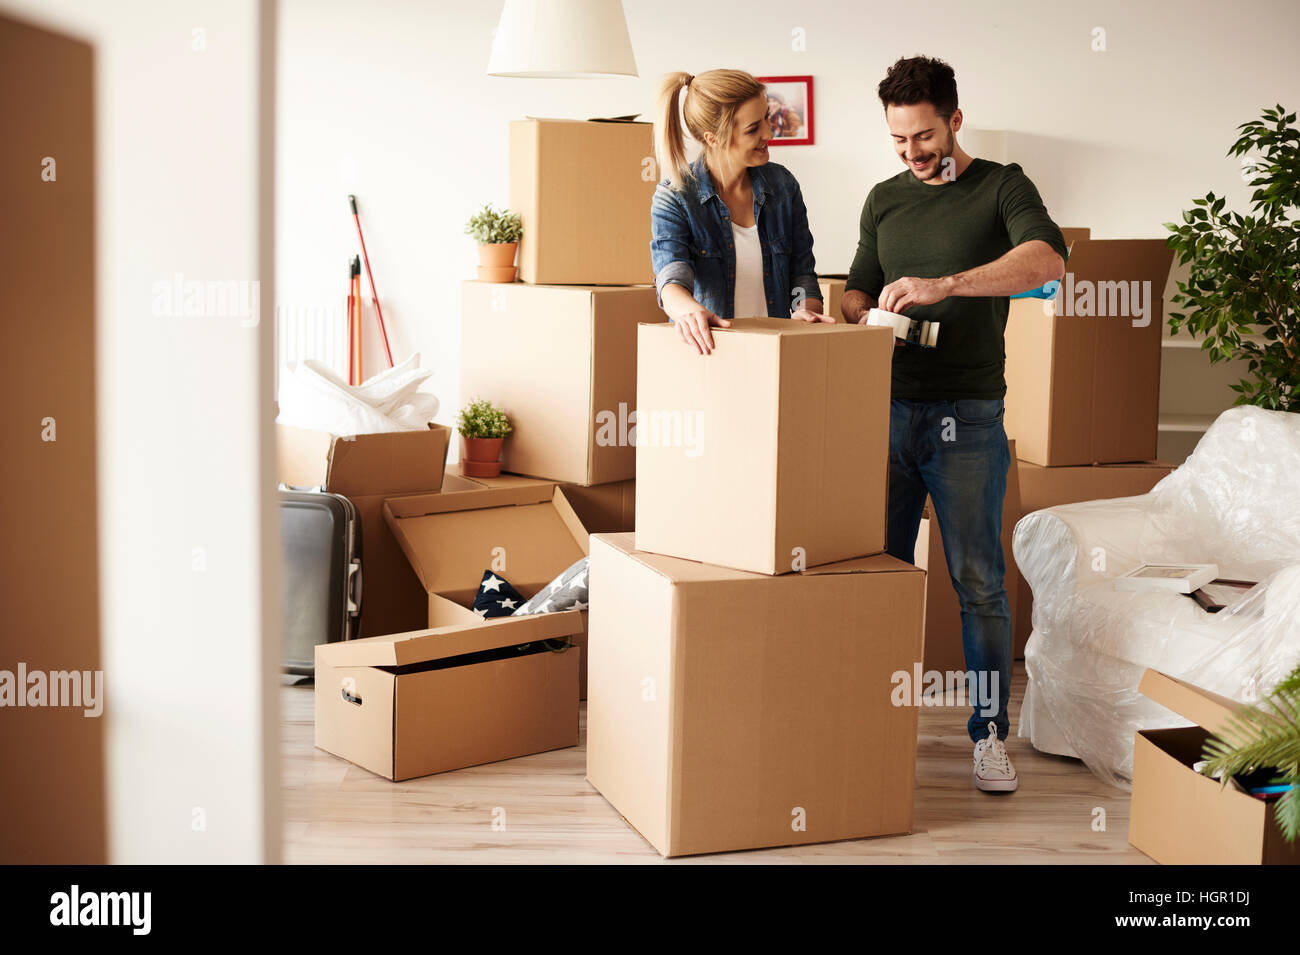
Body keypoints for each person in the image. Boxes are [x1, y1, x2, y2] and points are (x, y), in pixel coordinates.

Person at [840, 55, 1068, 793]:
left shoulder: (1002, 185)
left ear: (955, 119)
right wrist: (845, 311)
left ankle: (990, 736)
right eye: (900, 140)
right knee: (876, 574)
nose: (913, 153)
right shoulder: (883, 199)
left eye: (925, 137)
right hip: (889, 412)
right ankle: (864, 724)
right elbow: (858, 288)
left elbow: (1047, 261)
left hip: (968, 419)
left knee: (978, 582)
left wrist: (947, 284)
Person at [650, 69, 830, 355]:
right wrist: (691, 313)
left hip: (777, 354)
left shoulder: (783, 186)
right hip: (711, 355)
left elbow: (802, 276)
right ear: (714, 138)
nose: (769, 133)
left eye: (767, 118)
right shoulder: (675, 197)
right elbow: (671, 279)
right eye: (753, 129)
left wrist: (804, 311)